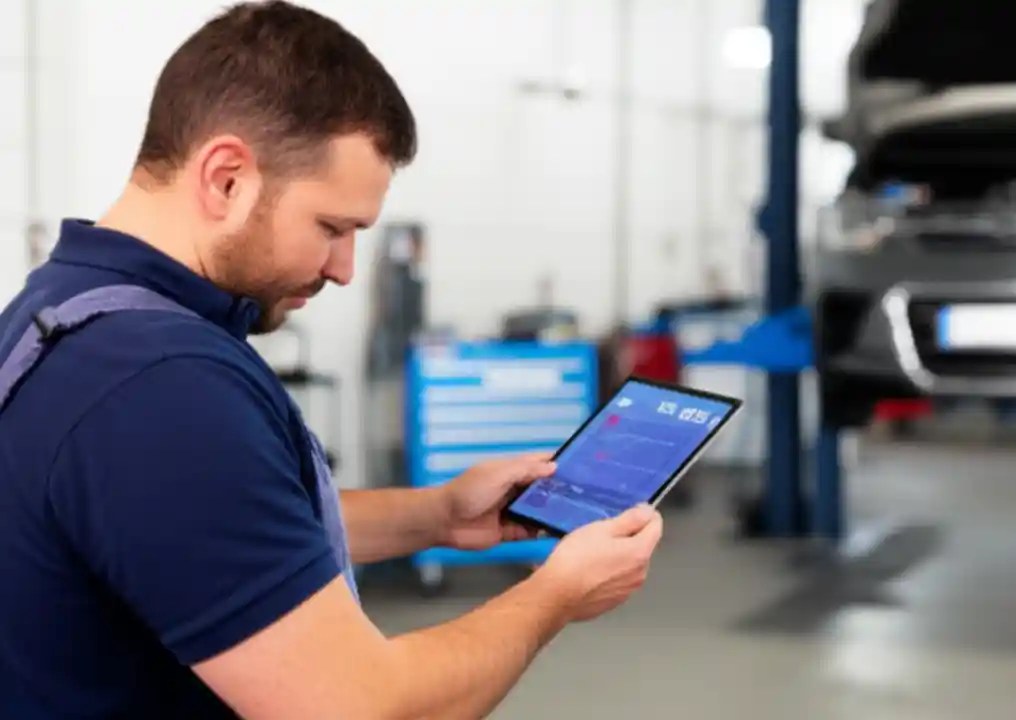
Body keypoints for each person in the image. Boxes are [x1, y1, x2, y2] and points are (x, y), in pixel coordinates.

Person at [0, 2, 664, 718]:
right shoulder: (159, 382)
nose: (345, 269)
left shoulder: (63, 308)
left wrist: (438, 515)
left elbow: (215, 534)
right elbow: (359, 709)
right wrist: (554, 594)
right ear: (226, 178)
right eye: (331, 227)